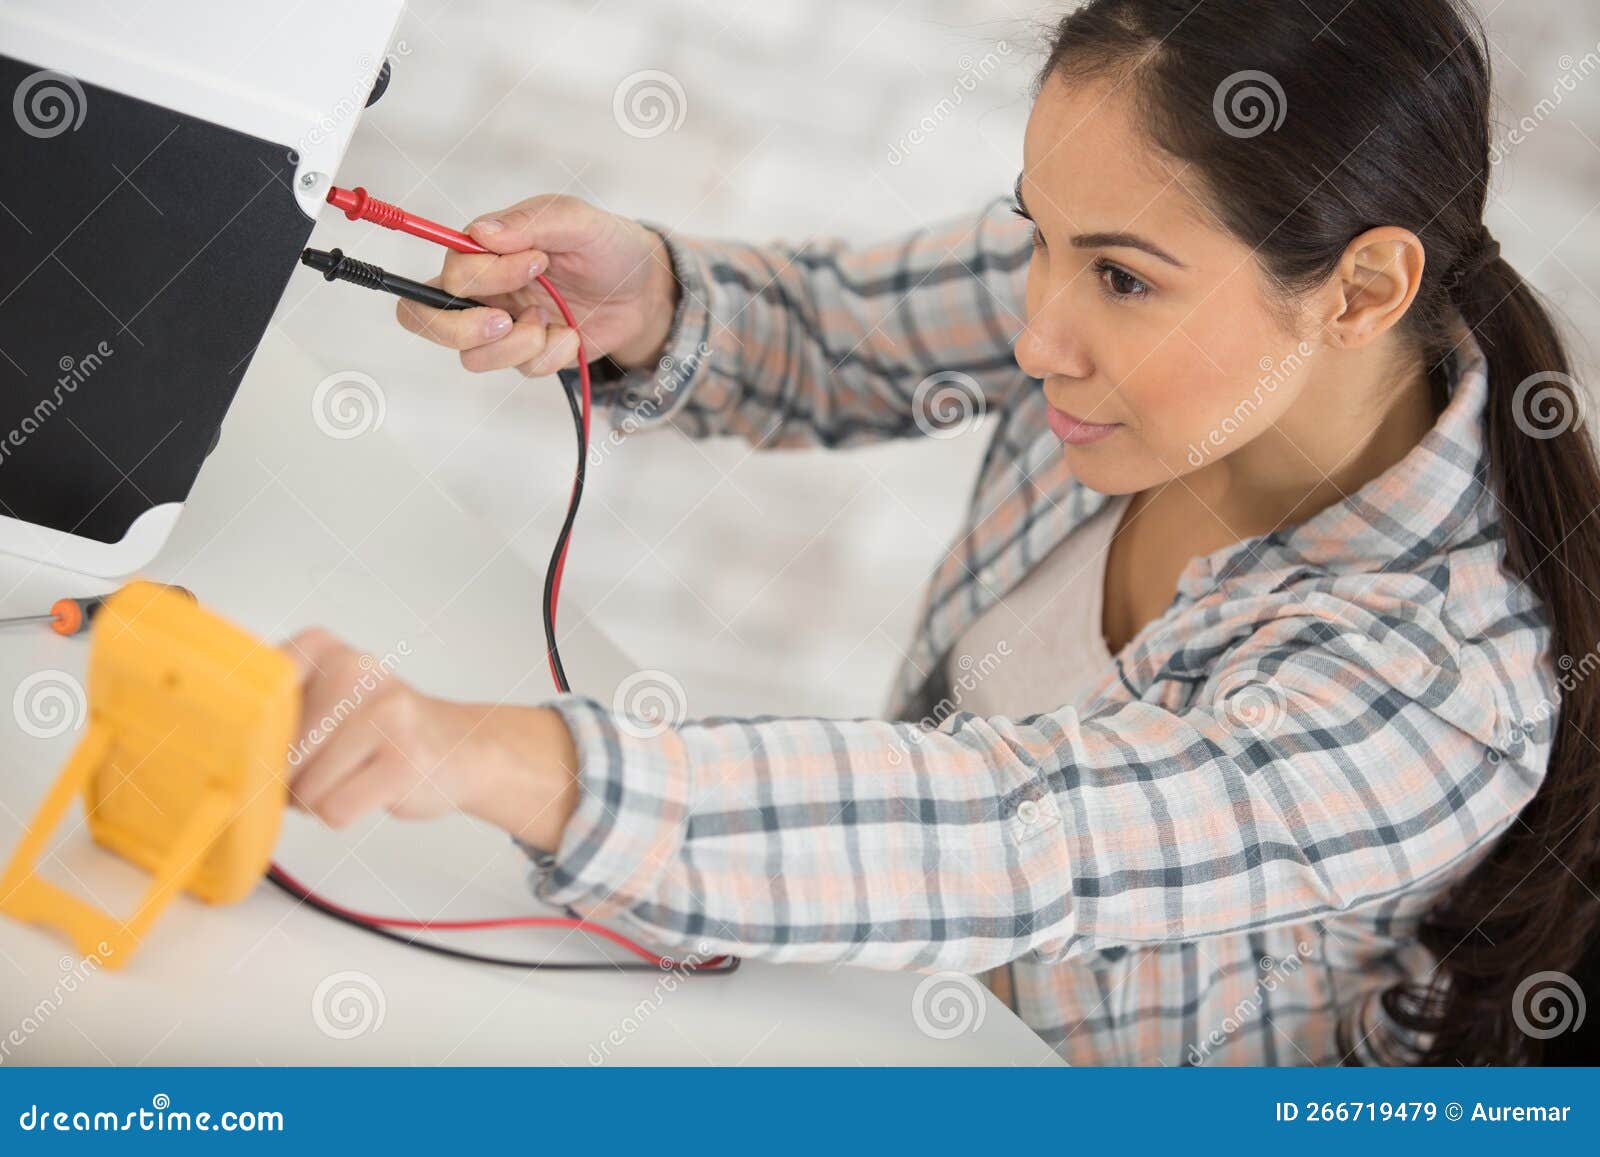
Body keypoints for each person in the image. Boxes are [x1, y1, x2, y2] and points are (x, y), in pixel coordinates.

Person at [282, 0, 1600, 1065]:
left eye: (1121, 279)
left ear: (1363, 290)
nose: (1035, 333)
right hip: (906, 1019)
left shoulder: (1438, 688)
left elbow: (1016, 828)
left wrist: (485, 753)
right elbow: (848, 336)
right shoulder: (1116, 265)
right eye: (1040, 235)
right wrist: (654, 295)